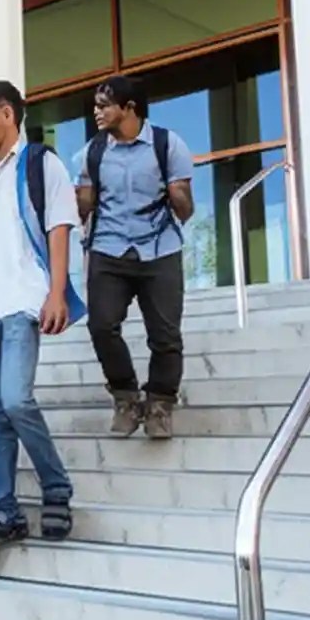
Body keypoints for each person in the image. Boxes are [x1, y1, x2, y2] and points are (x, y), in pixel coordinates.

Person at [0, 80, 82, 553]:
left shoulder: (43, 164)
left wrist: (57, 292)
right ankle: (3, 511)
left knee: (15, 400)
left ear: (7, 113)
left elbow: (58, 227)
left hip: (25, 300)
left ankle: (57, 488)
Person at [75, 75, 194, 440]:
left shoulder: (167, 144)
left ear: (129, 108)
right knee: (102, 326)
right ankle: (126, 396)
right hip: (108, 250)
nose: (96, 112)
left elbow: (186, 210)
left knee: (165, 335)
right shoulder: (90, 154)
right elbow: (82, 206)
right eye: (95, 105)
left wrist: (178, 194)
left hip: (159, 249)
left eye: (104, 105)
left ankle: (159, 402)